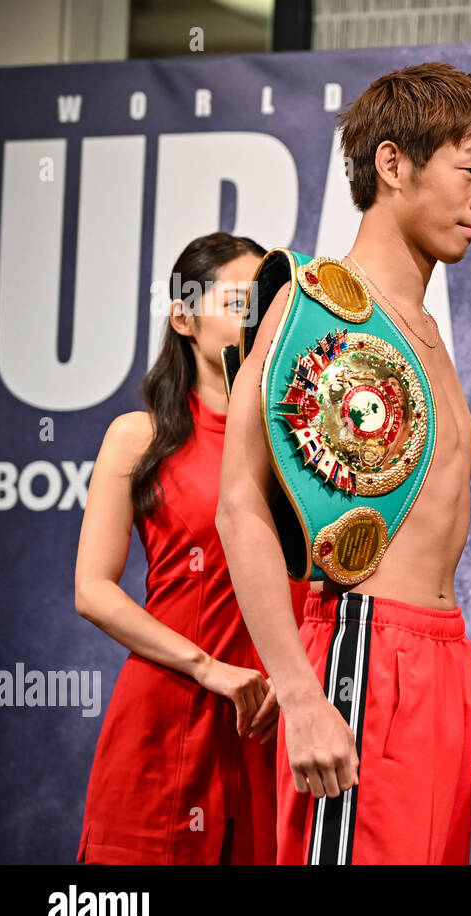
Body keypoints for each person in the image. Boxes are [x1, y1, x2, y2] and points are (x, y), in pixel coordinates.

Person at [217, 63, 471, 865]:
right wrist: (305, 694)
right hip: (357, 649)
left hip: (438, 663)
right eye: (469, 170)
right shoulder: (310, 301)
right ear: (392, 164)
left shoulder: (423, 327)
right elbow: (240, 504)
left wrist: (447, 712)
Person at [76, 231, 304, 864]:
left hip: (274, 725)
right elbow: (93, 590)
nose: (254, 319)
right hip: (172, 706)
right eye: (236, 302)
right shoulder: (137, 437)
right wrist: (210, 668)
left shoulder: (305, 443)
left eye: (266, 303)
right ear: (183, 316)